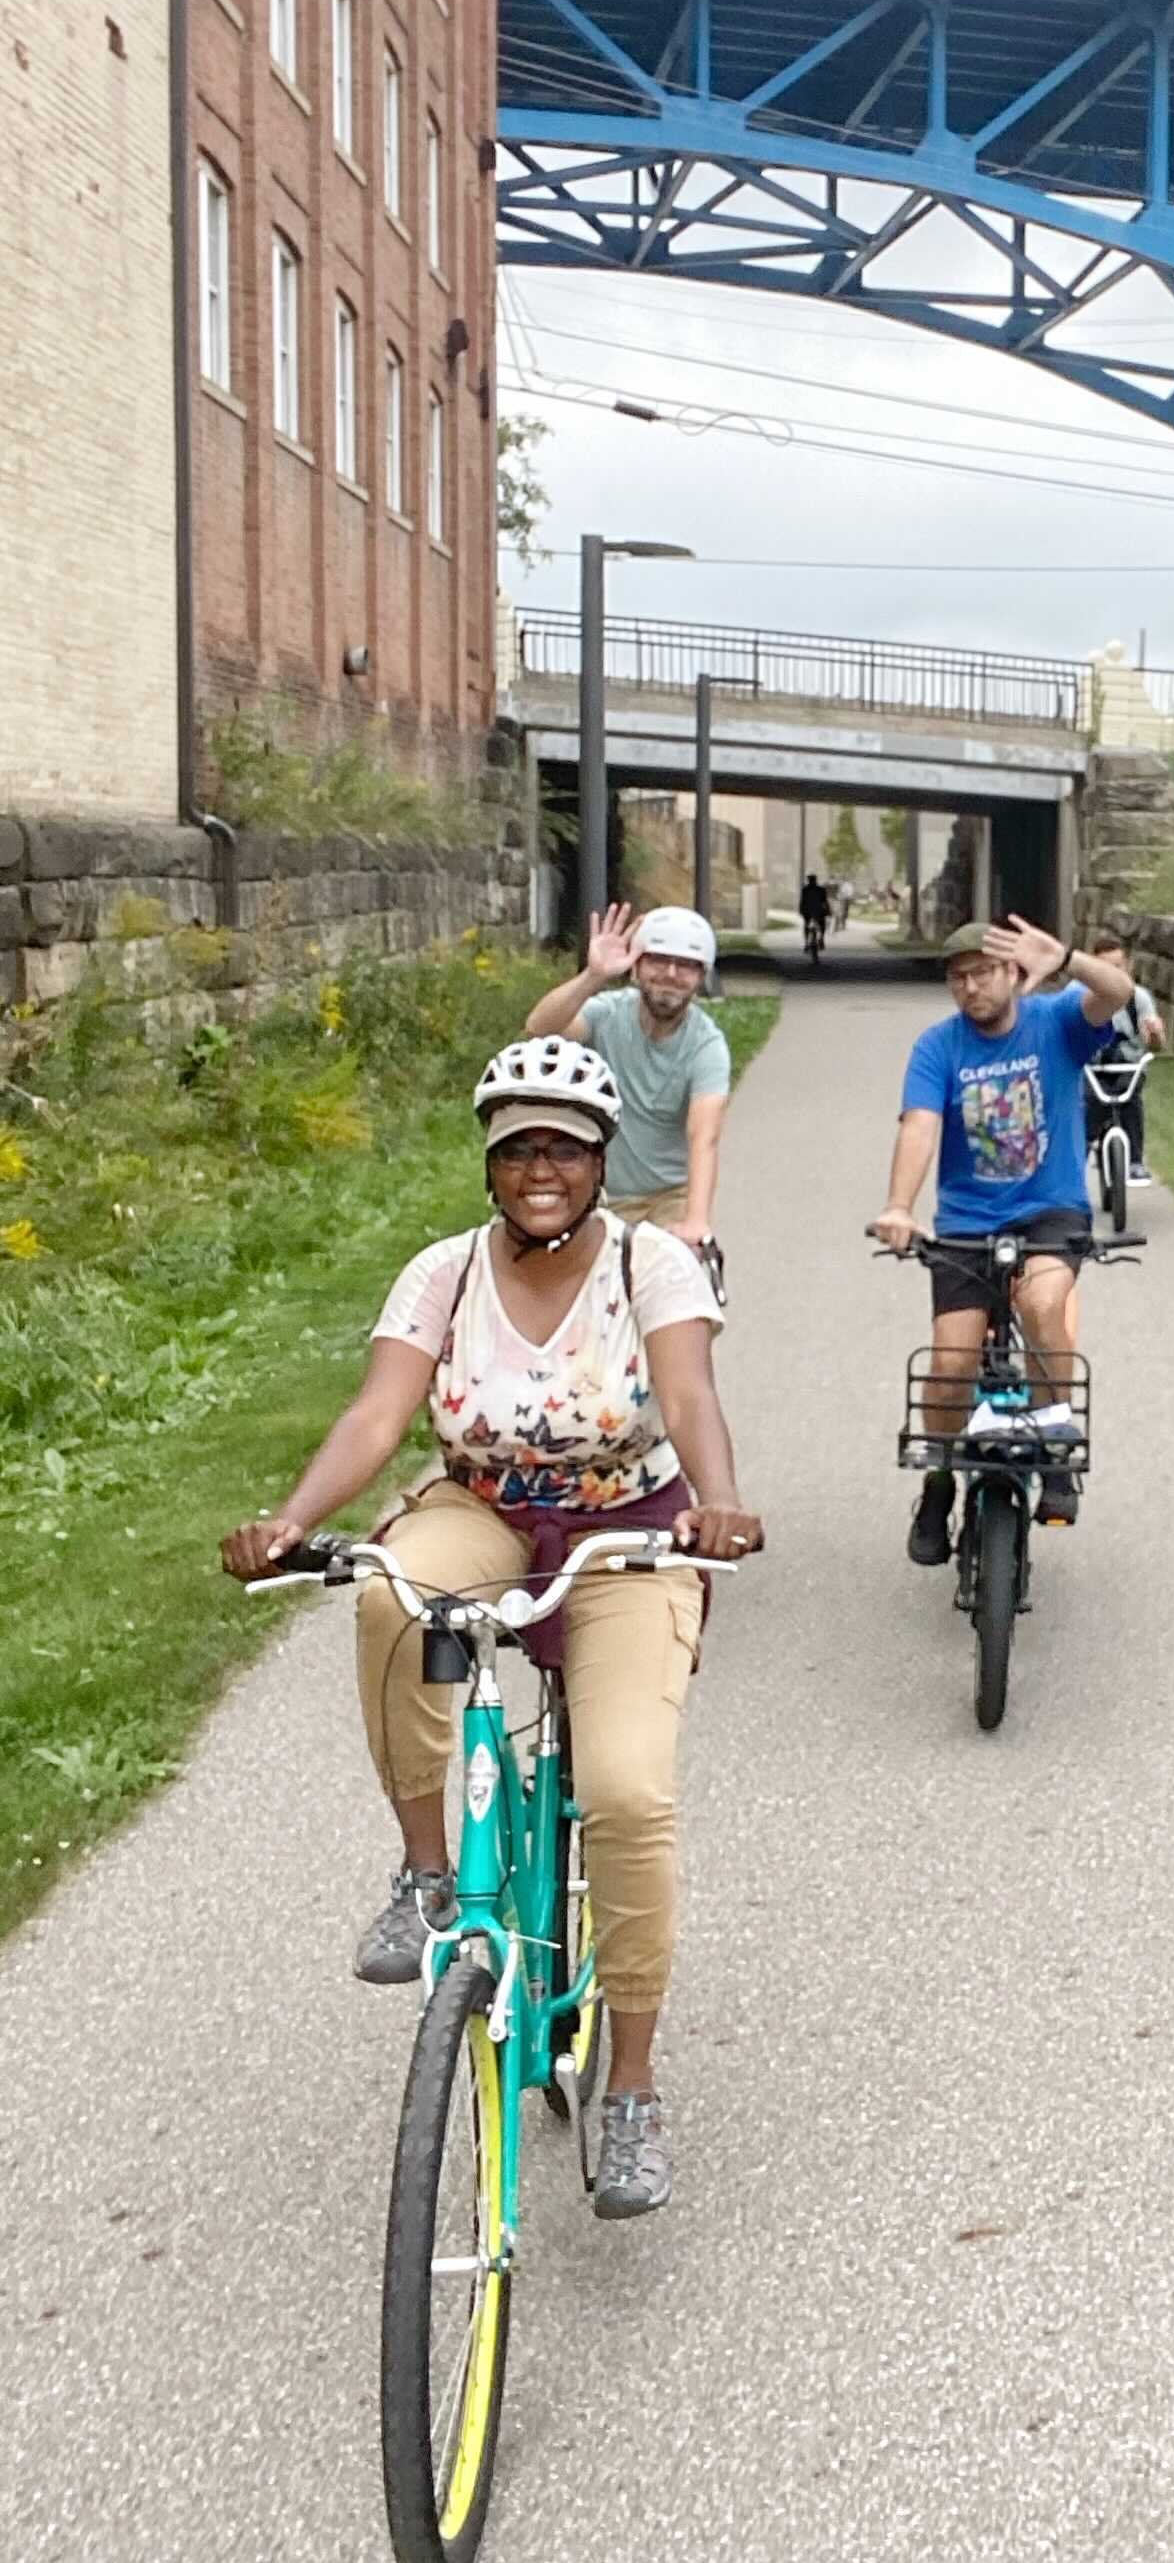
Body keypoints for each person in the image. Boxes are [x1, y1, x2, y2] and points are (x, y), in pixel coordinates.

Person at [220, 1036, 762, 2219]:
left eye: (563, 1147)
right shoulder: (442, 1272)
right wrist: (291, 1518)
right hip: (486, 1503)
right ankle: (426, 1869)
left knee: (623, 1789)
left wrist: (715, 1500)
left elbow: (686, 1394)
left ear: (599, 1160)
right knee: (385, 1589)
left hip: (631, 1526)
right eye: (517, 1146)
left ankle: (629, 2085)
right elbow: (378, 1413)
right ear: (489, 1162)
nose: (539, 1168)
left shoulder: (652, 1262)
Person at [871, 916, 1133, 1557]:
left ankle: (1053, 1436)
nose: (970, 988)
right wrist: (900, 1207)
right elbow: (920, 1127)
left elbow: (1119, 993)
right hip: (967, 1222)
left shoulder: (1058, 1021)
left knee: (1043, 1305)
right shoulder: (939, 1047)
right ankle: (938, 1478)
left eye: (983, 972)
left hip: (1050, 1212)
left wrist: (1068, 957)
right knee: (953, 1362)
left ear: (1013, 973)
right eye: (957, 977)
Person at [524, 904, 729, 1254]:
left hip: (669, 1197)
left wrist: (696, 1220)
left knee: (679, 1288)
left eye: (686, 966)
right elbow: (540, 1030)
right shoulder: (608, 1012)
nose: (671, 973)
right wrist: (593, 976)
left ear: (701, 977)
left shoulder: (706, 1046)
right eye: (658, 961)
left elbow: (703, 1137)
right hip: (598, 1195)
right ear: (636, 967)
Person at [1083, 931, 1166, 1186]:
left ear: (1128, 966)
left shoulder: (1138, 998)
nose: (1112, 975)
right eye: (1104, 969)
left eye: (1118, 967)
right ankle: (1074, 1166)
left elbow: (1156, 1043)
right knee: (1087, 1109)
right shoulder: (1081, 998)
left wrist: (1154, 1036)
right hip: (1094, 1068)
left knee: (1131, 1101)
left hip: (1128, 1065)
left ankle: (1135, 1161)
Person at [798, 873, 830, 952]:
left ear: (808, 880)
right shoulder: (821, 889)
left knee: (807, 925)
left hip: (809, 911)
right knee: (822, 924)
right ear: (816, 880)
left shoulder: (805, 889)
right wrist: (828, 910)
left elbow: (802, 901)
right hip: (818, 911)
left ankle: (807, 943)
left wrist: (801, 910)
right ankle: (821, 939)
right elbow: (825, 901)